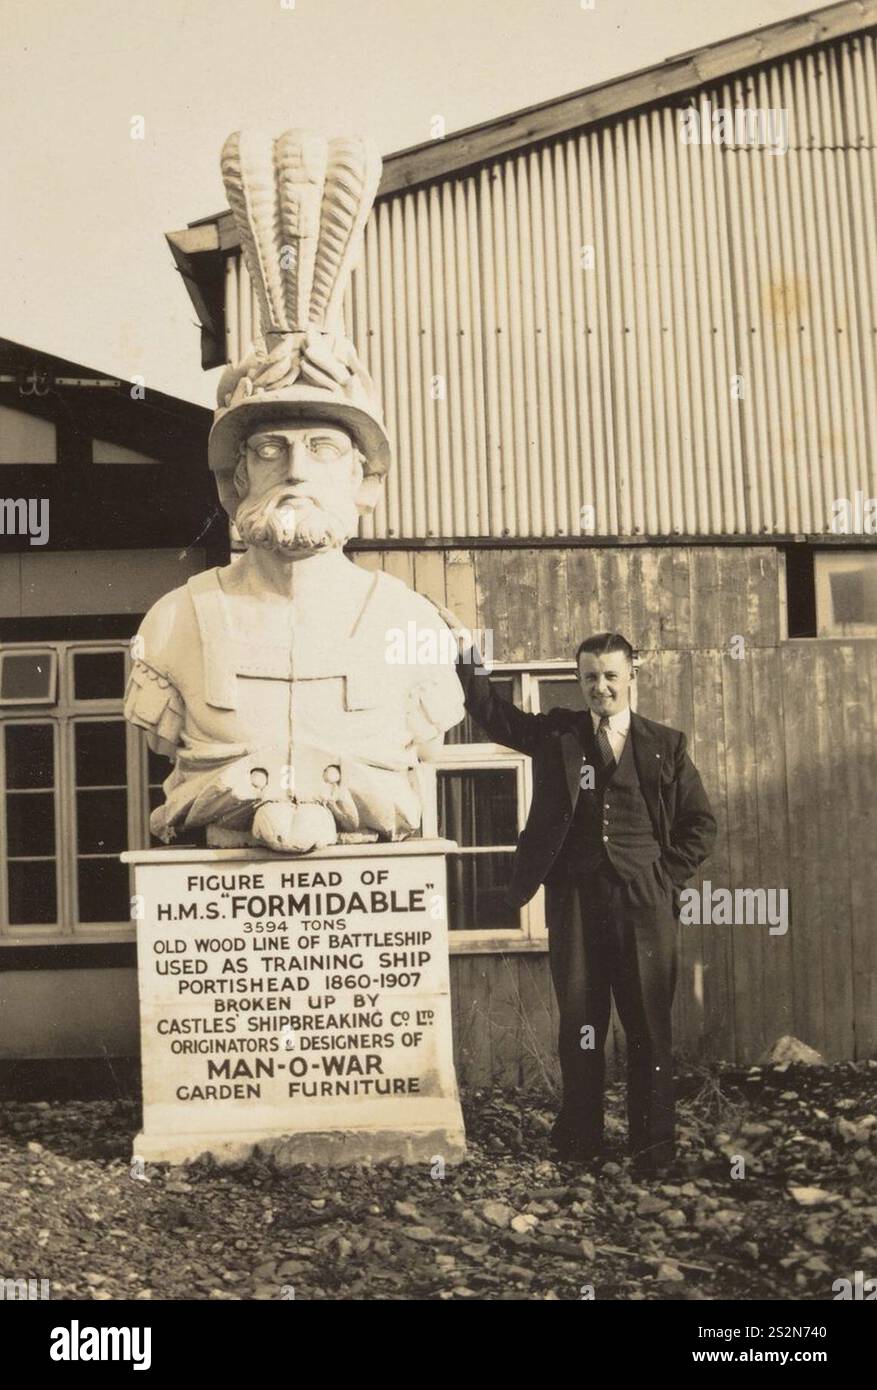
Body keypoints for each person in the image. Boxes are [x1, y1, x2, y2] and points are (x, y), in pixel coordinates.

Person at [444, 622, 716, 1175]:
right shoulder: (558, 735)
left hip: (645, 903)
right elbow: (493, 714)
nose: (602, 688)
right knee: (581, 1024)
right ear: (579, 679)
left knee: (648, 1028)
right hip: (575, 899)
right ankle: (581, 1142)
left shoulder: (666, 744)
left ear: (631, 676)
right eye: (590, 677)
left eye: (612, 676)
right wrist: (467, 654)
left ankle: (653, 1148)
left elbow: (699, 825)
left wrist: (665, 879)